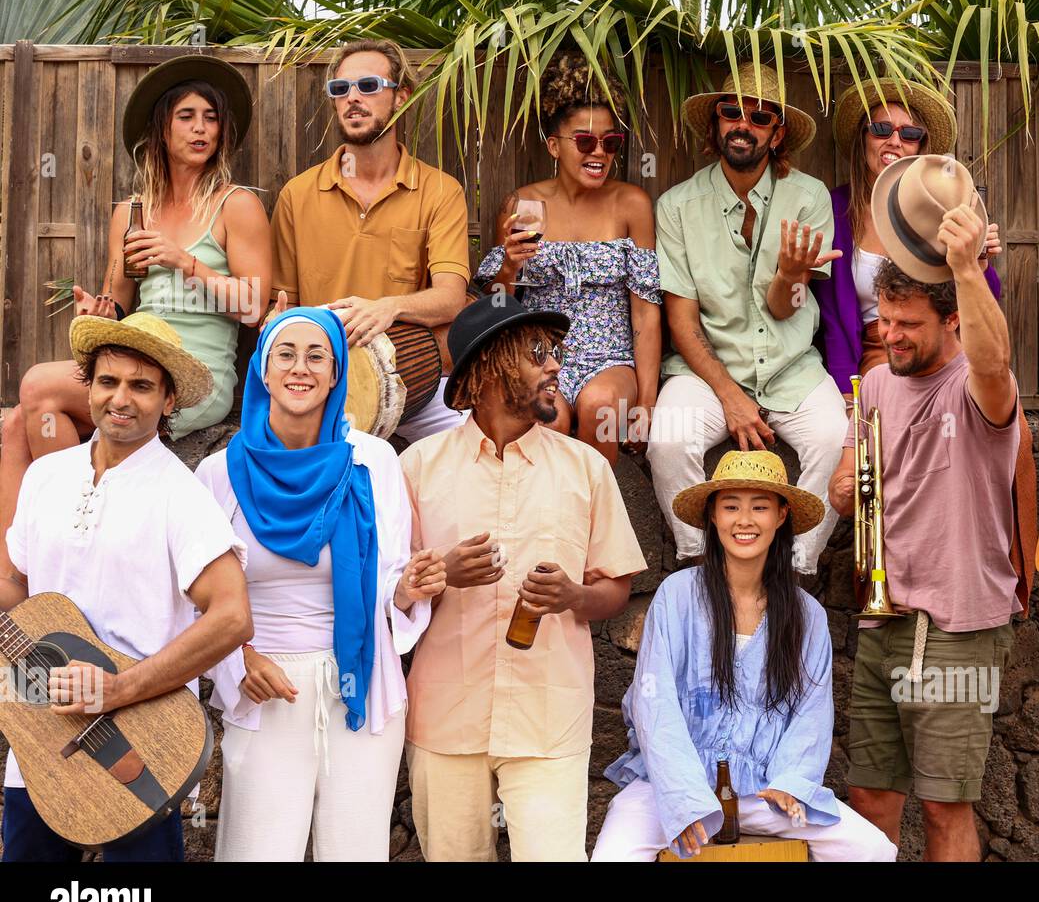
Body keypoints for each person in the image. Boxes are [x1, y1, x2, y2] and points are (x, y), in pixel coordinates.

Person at [0, 54, 269, 578]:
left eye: (211, 117)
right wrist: (98, 310)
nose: (200, 128)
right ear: (161, 128)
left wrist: (182, 260)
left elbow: (255, 304)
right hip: (136, 355)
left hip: (195, 373)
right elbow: (117, 301)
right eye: (187, 116)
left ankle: (68, 549)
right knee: (16, 423)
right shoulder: (131, 212)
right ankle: (15, 581)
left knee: (36, 385)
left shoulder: (237, 206)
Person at [400, 294, 646, 861]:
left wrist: (573, 596)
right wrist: (441, 573)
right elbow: (391, 589)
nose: (556, 365)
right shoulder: (416, 467)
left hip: (548, 719)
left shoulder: (586, 468)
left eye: (554, 351)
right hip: (446, 717)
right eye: (538, 353)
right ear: (489, 365)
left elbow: (615, 588)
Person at [197, 302, 443, 861]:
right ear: (262, 367)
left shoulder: (374, 462)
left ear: (337, 374)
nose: (300, 368)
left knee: (355, 851)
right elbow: (196, 601)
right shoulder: (218, 475)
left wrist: (407, 590)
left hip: (360, 683)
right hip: (264, 687)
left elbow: (388, 577)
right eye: (285, 354)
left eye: (317, 356)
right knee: (255, 852)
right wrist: (239, 659)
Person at [0, 313, 251, 862]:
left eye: (141, 386)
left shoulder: (179, 495)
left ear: (167, 401)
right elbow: (14, 589)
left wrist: (118, 690)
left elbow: (232, 617)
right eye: (109, 381)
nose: (121, 398)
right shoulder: (47, 477)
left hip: (140, 749)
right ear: (89, 386)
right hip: (38, 744)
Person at [827, 155, 1021, 861]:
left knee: (944, 807)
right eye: (884, 318)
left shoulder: (977, 386)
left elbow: (997, 365)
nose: (891, 334)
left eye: (908, 323)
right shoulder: (875, 384)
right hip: (885, 618)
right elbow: (848, 477)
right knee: (871, 799)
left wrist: (969, 271)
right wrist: (845, 487)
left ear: (949, 322)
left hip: (959, 625)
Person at [592, 450, 897, 862]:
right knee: (615, 856)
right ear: (713, 517)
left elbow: (813, 711)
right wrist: (684, 799)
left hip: (763, 789)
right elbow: (654, 703)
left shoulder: (806, 615)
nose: (745, 520)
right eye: (731, 506)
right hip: (670, 786)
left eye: (760, 507)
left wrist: (791, 782)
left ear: (782, 516)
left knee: (871, 850)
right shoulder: (677, 596)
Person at [647, 62, 846, 576]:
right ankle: (697, 567)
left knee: (832, 438)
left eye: (760, 117)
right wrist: (730, 397)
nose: (744, 124)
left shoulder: (810, 198)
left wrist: (789, 275)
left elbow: (786, 307)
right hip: (707, 373)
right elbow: (682, 322)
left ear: (777, 133)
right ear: (715, 126)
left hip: (790, 368)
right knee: (668, 437)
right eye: (731, 112)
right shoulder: (676, 206)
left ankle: (795, 573)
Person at [271, 38, 471, 441]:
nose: (353, 99)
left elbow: (451, 297)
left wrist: (388, 308)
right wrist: (276, 324)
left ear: (402, 97)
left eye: (368, 86)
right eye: (341, 89)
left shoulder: (439, 190)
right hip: (321, 379)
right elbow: (283, 304)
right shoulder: (297, 194)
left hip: (415, 379)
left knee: (471, 454)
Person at [476, 56, 661, 466]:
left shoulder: (631, 204)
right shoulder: (522, 204)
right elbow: (497, 308)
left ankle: (598, 523)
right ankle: (547, 526)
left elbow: (645, 316)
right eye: (584, 141)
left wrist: (647, 404)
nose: (599, 152)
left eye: (610, 142)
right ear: (554, 145)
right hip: (540, 355)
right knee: (551, 420)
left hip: (610, 357)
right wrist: (508, 267)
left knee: (601, 407)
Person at [813, 78, 1002, 396]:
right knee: (890, 411)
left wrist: (978, 264)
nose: (895, 141)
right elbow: (832, 313)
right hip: (881, 345)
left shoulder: (940, 203)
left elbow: (987, 300)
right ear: (864, 138)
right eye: (881, 129)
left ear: (920, 146)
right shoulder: (836, 209)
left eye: (910, 134)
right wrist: (847, 390)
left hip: (943, 340)